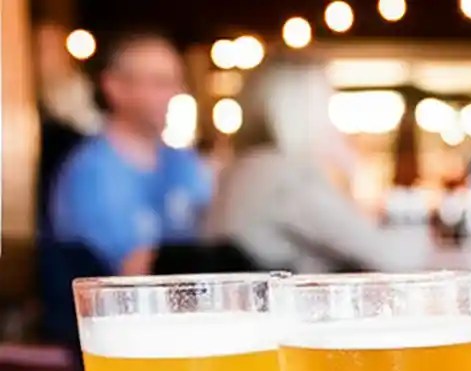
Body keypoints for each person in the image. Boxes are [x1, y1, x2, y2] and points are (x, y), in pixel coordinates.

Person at [203, 56, 429, 273]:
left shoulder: (242, 169)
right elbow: (392, 258)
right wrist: (353, 172)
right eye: (326, 102)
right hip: (287, 298)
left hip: (256, 296)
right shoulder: (289, 177)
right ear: (304, 112)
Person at [49, 31, 209, 275]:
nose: (173, 95)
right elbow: (127, 272)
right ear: (115, 87)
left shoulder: (185, 162)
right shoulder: (91, 172)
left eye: (176, 83)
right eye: (159, 83)